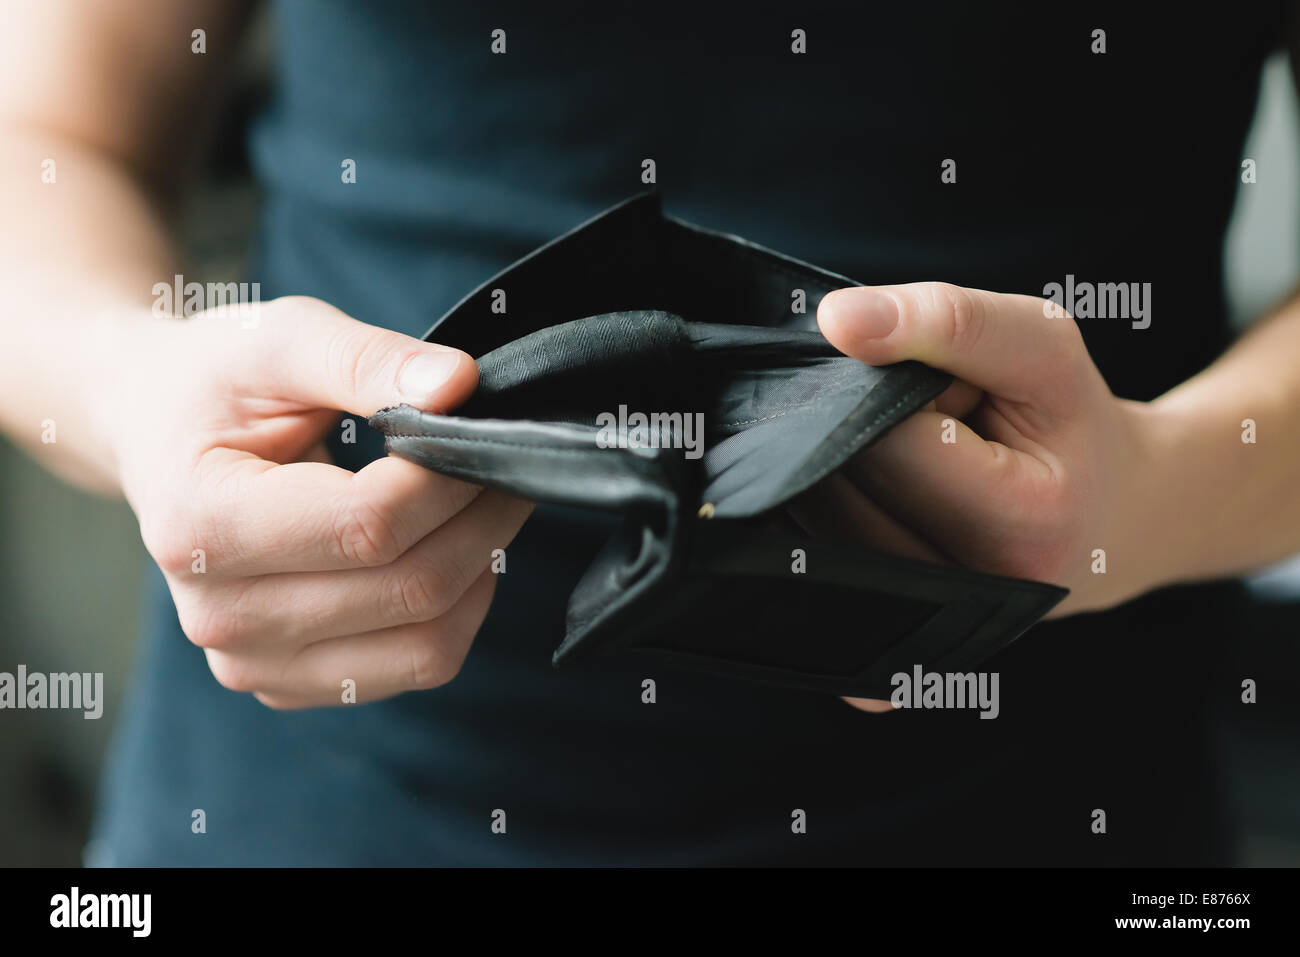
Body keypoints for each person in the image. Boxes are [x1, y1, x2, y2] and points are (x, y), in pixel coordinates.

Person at [2, 1, 1297, 865]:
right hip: (312, 802)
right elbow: (41, 136)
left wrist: (1155, 490)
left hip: (1043, 803)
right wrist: (132, 387)